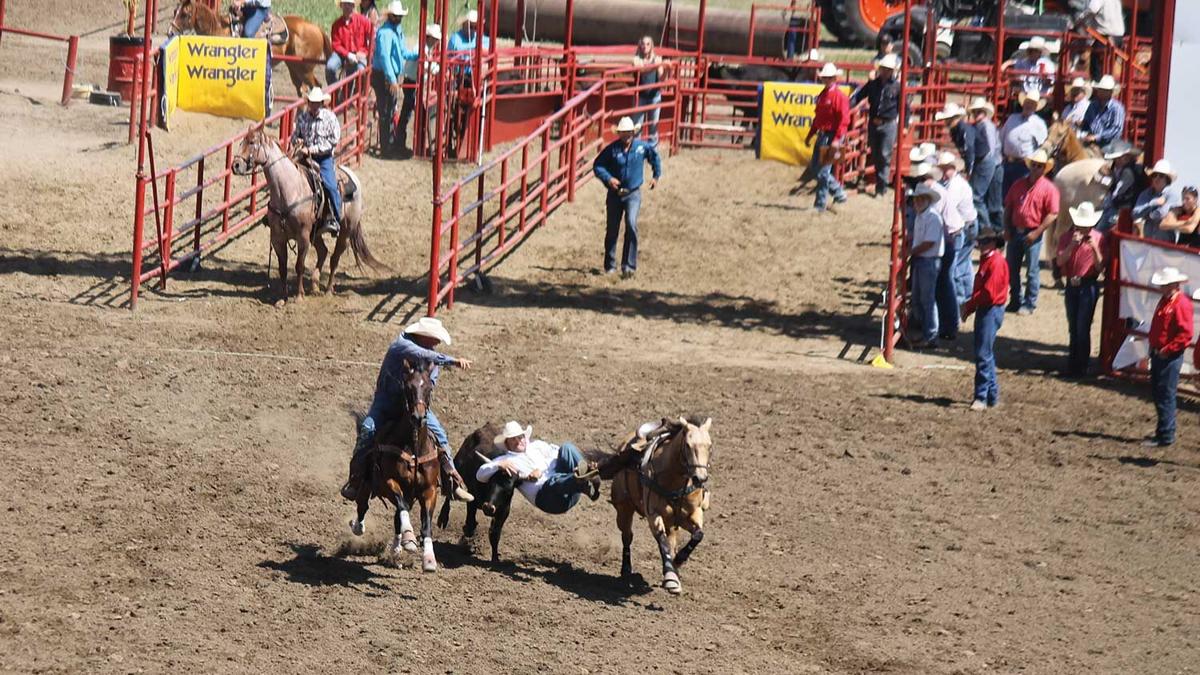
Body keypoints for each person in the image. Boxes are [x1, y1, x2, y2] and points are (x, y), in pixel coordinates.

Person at [342, 317, 476, 501]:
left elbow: (431, 382)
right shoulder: (402, 345)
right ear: (423, 336)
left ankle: (451, 480)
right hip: (387, 401)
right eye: (435, 338)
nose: (437, 342)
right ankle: (356, 479)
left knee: (440, 435)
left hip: (415, 403)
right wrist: (453, 361)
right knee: (367, 428)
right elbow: (423, 355)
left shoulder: (432, 359)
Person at [475, 422, 601, 516]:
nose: (518, 441)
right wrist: (499, 465)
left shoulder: (537, 446)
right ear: (507, 444)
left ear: (525, 437)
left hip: (567, 489)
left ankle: (585, 475)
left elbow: (556, 452)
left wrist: (542, 469)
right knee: (553, 481)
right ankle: (581, 480)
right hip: (548, 498)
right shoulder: (507, 460)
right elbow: (480, 474)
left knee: (566, 447)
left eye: (520, 437)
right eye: (513, 439)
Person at [592, 116, 662, 278]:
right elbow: (598, 165)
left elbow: (654, 157)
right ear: (619, 134)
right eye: (624, 133)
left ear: (633, 132)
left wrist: (656, 176)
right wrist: (608, 178)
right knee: (612, 229)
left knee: (631, 224)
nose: (627, 136)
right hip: (615, 194)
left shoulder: (641, 147)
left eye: (629, 132)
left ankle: (628, 265)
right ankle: (610, 265)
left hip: (633, 193)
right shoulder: (612, 150)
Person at [1003, 149, 1060, 315]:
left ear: (1044, 168)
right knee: (1012, 268)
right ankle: (1015, 300)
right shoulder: (1018, 184)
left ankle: (1029, 303)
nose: (1035, 168)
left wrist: (1037, 232)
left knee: (1032, 270)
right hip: (1015, 230)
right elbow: (1009, 207)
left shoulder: (1049, 189)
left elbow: (1052, 213)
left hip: (1033, 231)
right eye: (1034, 165)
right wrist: (1007, 228)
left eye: (1039, 166)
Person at [1055, 201, 1105, 377]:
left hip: (1088, 284)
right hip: (1072, 284)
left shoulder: (1098, 239)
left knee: (1082, 326)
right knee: (1073, 326)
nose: (1082, 228)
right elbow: (1060, 261)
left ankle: (1081, 364)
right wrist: (1071, 246)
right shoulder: (1066, 238)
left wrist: (1095, 249)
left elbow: (1100, 268)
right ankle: (1073, 364)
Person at [1144, 267, 1193, 447]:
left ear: (1173, 284)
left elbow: (1185, 334)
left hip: (1168, 356)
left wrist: (1167, 348)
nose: (1161, 288)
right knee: (1160, 393)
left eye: (1164, 285)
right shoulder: (1167, 301)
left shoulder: (1180, 304)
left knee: (1165, 394)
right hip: (1161, 353)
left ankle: (1165, 434)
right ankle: (1163, 432)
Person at [960, 231, 1009, 410]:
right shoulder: (992, 260)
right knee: (985, 353)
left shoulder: (994, 262)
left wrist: (969, 305)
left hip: (990, 310)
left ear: (991, 243)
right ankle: (991, 395)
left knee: (983, 353)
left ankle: (982, 396)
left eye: (983, 241)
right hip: (988, 309)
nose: (980, 245)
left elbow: (988, 292)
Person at [291, 87, 343, 236]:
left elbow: (333, 140)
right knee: (287, 177)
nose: (314, 106)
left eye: (317, 103)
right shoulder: (302, 118)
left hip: (323, 158)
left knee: (330, 185)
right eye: (312, 103)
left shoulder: (330, 118)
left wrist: (311, 150)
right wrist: (297, 141)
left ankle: (335, 217)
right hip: (304, 157)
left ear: (321, 103)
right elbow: (294, 136)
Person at [850, 53, 902, 198]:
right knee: (876, 153)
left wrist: (903, 125)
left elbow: (904, 107)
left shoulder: (897, 87)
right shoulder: (872, 85)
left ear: (893, 71)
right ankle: (881, 184)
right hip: (874, 123)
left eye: (888, 69)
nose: (885, 71)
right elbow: (859, 96)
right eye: (884, 68)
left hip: (888, 124)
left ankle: (882, 187)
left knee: (884, 155)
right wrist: (849, 105)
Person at [936, 152, 979, 326]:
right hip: (967, 224)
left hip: (964, 227)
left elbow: (947, 207)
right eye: (943, 169)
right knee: (963, 263)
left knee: (955, 268)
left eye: (947, 169)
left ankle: (961, 301)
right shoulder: (953, 184)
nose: (945, 172)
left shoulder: (955, 186)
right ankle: (966, 299)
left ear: (953, 169)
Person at [370, 2, 413, 159]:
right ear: (391, 16)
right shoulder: (385, 33)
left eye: (400, 16)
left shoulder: (396, 31)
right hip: (383, 76)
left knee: (390, 109)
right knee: (386, 111)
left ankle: (389, 144)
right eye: (397, 16)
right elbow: (384, 57)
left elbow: (402, 52)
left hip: (390, 75)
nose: (399, 18)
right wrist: (392, 79)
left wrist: (417, 54)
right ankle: (386, 149)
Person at [805, 62, 850, 212]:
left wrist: (837, 139)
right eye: (825, 78)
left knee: (823, 171)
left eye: (829, 77)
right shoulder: (823, 96)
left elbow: (844, 119)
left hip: (832, 136)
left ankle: (822, 203)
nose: (826, 80)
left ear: (834, 78)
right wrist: (810, 134)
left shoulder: (839, 97)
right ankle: (836, 192)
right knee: (816, 169)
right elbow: (818, 118)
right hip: (823, 135)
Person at [396, 24, 441, 157]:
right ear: (430, 38)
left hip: (414, 82)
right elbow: (425, 65)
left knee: (410, 112)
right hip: (412, 82)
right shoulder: (421, 48)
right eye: (435, 39)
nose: (436, 41)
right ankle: (407, 144)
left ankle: (406, 143)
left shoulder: (425, 47)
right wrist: (439, 69)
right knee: (410, 112)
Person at [909, 184, 945, 348]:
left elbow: (929, 243)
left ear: (925, 200)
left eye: (919, 199)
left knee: (926, 299)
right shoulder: (923, 216)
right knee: (919, 297)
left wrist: (911, 251)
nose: (916, 202)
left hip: (928, 260)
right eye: (916, 199)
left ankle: (930, 335)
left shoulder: (932, 217)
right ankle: (927, 332)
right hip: (923, 259)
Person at [999, 91, 1048, 197]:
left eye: (1032, 104)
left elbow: (1042, 146)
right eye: (1028, 102)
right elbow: (1002, 137)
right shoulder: (1012, 118)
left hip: (1024, 165)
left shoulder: (1039, 124)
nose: (1029, 105)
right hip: (1007, 162)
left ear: (1036, 107)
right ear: (1023, 103)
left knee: (1020, 196)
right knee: (1004, 196)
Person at [967, 97, 1003, 233]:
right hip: (993, 163)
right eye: (975, 112)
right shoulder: (982, 126)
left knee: (985, 199)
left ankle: (989, 228)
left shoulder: (986, 126)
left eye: (978, 112)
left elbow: (990, 147)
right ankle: (994, 229)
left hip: (991, 163)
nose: (976, 114)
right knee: (992, 200)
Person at [1097, 140, 1144, 231]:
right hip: (1118, 208)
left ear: (1127, 157)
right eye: (1116, 159)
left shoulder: (1128, 172)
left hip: (1121, 210)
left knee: (1099, 231)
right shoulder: (1122, 170)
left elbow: (1118, 192)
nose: (1116, 161)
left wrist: (1106, 183)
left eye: (1119, 158)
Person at [328, 0, 372, 88]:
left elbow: (372, 40)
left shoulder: (363, 21)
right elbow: (336, 44)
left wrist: (365, 52)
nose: (348, 7)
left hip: (360, 54)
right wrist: (348, 54)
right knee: (330, 67)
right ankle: (335, 92)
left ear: (354, 6)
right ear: (341, 6)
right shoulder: (336, 25)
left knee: (361, 70)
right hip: (342, 53)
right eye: (346, 4)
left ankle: (360, 95)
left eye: (351, 4)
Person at [1133, 159, 1178, 243]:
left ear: (1167, 179)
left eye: (1161, 176)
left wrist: (1147, 215)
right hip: (1148, 239)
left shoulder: (1172, 195)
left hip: (1165, 242)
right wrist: (1153, 203)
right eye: (1154, 175)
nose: (1157, 178)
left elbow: (1162, 214)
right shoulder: (1145, 194)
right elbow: (1135, 214)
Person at [631, 36, 665, 146]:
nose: (645, 46)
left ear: (651, 46)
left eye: (648, 44)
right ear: (639, 46)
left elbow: (662, 78)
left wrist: (668, 68)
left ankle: (652, 152)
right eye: (643, 44)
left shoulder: (657, 59)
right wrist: (656, 65)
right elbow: (642, 70)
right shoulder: (636, 59)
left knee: (653, 127)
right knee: (637, 126)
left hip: (654, 96)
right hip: (640, 96)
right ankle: (637, 150)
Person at [1079, 0, 1125, 80]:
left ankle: (1097, 85)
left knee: (1097, 66)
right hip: (1118, 35)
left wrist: (1080, 19)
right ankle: (1106, 85)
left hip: (1106, 36)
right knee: (1108, 66)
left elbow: (1092, 9)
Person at [1080, 75, 1126, 149]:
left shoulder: (1117, 108)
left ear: (1110, 92)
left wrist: (1096, 137)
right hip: (1090, 142)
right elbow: (1087, 123)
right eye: (1100, 90)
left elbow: (1116, 130)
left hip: (1109, 144)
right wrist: (1081, 125)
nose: (1101, 92)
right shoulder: (1092, 105)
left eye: (1104, 90)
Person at [936, 102, 976, 172]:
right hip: (974, 161)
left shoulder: (964, 130)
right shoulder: (955, 130)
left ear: (953, 119)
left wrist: (970, 169)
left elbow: (970, 150)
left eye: (947, 119)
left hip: (979, 162)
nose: (945, 122)